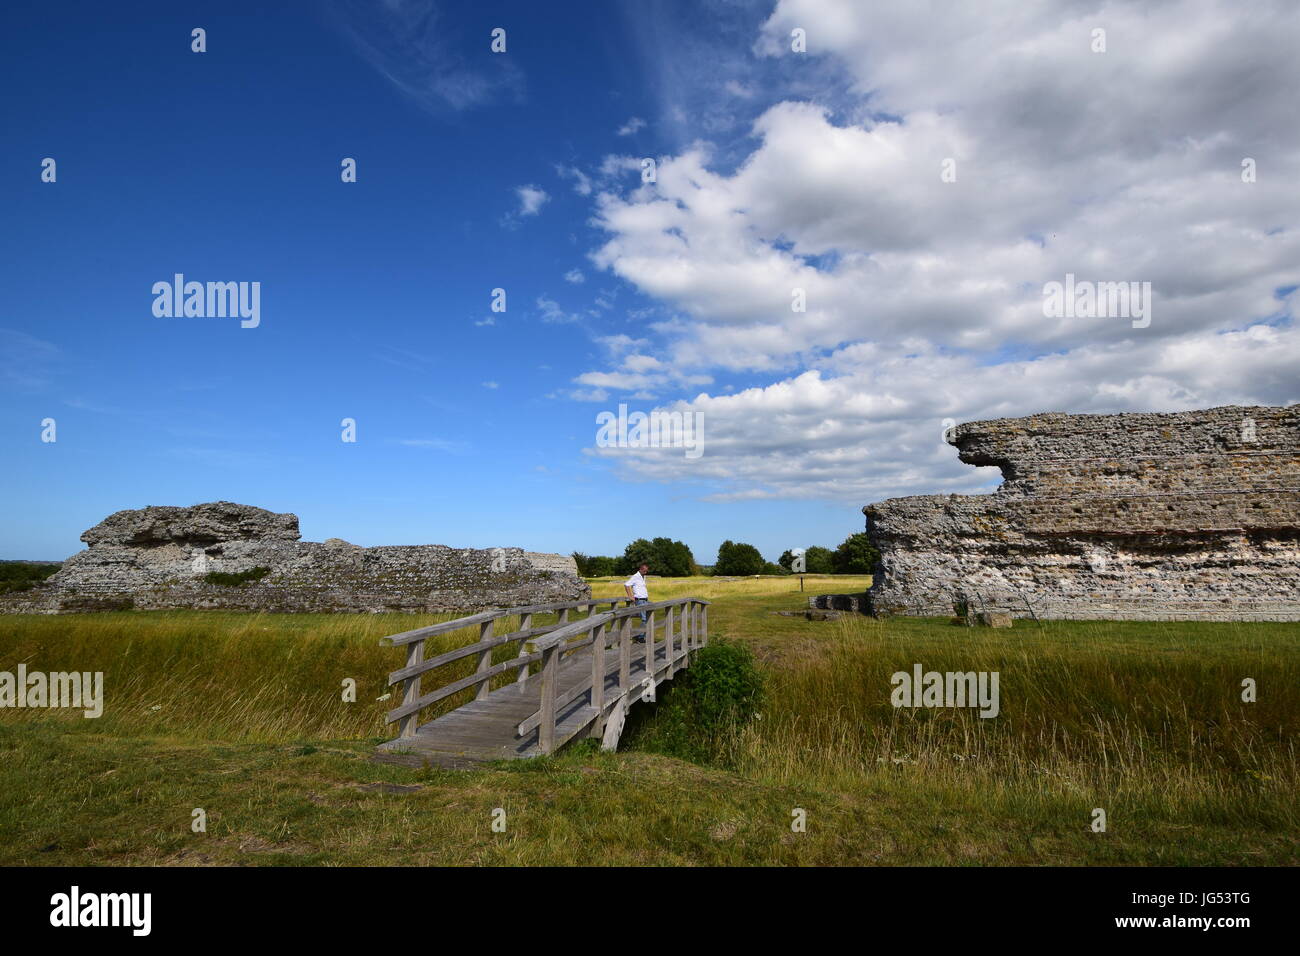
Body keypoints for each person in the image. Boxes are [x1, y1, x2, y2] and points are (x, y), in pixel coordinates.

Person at [624, 563, 650, 638]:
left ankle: (640, 635)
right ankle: (640, 637)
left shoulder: (643, 576)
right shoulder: (636, 576)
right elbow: (626, 585)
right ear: (640, 569)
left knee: (647, 617)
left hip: (645, 600)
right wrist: (630, 596)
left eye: (646, 571)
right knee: (644, 618)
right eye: (644, 571)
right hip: (640, 600)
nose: (646, 573)